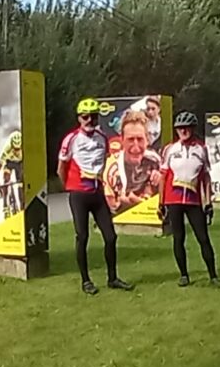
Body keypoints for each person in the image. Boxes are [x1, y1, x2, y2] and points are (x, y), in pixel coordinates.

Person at [59, 98, 133, 295]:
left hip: (97, 193)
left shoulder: (102, 137)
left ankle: (112, 278)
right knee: (82, 236)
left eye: (93, 116)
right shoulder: (71, 139)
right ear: (79, 118)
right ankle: (86, 281)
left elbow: (104, 161)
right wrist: (69, 186)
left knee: (110, 236)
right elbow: (61, 167)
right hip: (78, 195)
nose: (89, 120)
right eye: (85, 117)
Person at [159, 112, 219, 286]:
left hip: (193, 201)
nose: (183, 131)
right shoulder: (170, 149)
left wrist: (208, 202)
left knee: (203, 237)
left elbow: (205, 176)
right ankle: (184, 275)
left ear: (192, 129)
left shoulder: (201, 148)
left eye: (186, 128)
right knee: (178, 238)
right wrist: (161, 202)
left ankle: (213, 275)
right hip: (173, 200)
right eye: (180, 128)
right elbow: (163, 177)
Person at [104, 110, 162, 213]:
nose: (136, 146)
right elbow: (112, 207)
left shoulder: (155, 160)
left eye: (140, 139)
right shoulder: (112, 167)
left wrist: (160, 181)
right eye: (130, 139)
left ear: (147, 140)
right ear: (122, 140)